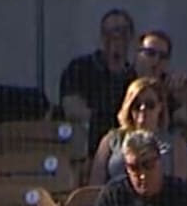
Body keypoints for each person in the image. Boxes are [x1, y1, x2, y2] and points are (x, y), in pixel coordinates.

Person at [59, 9, 138, 156]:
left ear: (130, 37)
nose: (115, 37)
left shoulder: (134, 78)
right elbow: (72, 110)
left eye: (121, 31)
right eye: (109, 32)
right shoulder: (80, 68)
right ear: (102, 36)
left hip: (125, 152)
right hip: (87, 148)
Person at [89, 77, 187, 184]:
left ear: (160, 107)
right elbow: (95, 184)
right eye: (136, 105)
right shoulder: (111, 140)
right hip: (116, 198)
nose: (143, 109)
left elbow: (180, 186)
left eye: (150, 104)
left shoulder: (176, 143)